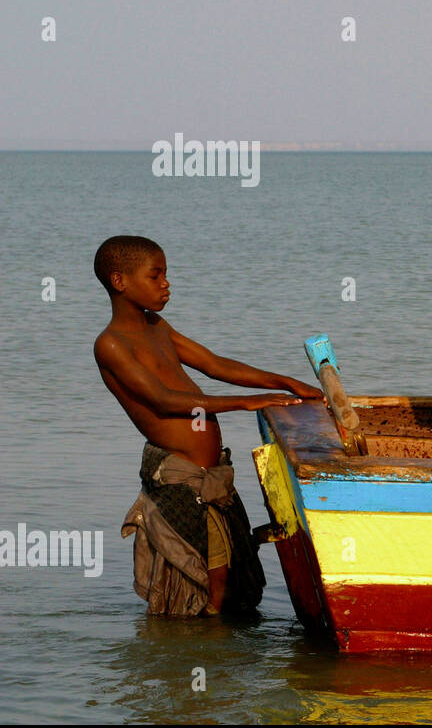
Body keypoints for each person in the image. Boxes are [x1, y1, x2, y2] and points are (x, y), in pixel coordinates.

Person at [92, 235, 323, 615]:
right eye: (155, 276)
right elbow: (163, 400)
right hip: (183, 476)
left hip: (210, 473)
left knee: (230, 581)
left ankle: (215, 652)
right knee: (209, 590)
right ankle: (207, 656)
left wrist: (284, 382)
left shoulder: (158, 327)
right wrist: (246, 403)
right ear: (120, 282)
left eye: (166, 275)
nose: (166, 284)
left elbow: (215, 364)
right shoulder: (112, 344)